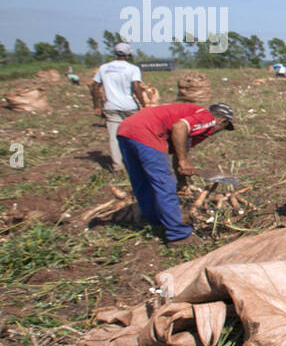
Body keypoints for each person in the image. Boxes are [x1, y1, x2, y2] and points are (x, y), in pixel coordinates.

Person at [116, 102, 236, 247]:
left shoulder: (192, 117)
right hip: (147, 132)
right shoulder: (207, 118)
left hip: (126, 129)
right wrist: (184, 161)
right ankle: (178, 236)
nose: (218, 131)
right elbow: (179, 127)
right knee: (164, 185)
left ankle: (155, 221)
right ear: (222, 121)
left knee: (142, 181)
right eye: (224, 128)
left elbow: (179, 150)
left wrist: (182, 179)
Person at [91, 43, 145, 172]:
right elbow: (136, 87)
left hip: (111, 106)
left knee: (114, 138)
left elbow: (95, 87)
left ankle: (117, 166)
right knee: (135, 135)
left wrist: (96, 105)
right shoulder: (133, 68)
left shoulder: (104, 68)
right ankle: (137, 163)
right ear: (128, 54)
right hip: (129, 107)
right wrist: (144, 105)